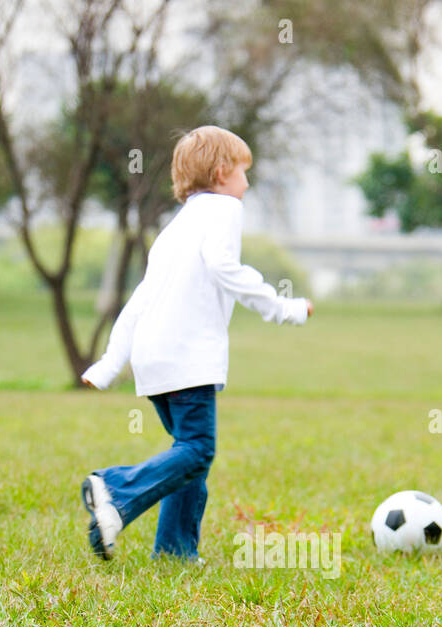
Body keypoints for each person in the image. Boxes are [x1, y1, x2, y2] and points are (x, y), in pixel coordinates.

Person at [80, 125, 313, 562]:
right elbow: (225, 267)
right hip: (187, 356)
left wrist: (111, 363)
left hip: (156, 359)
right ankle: (114, 489)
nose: (247, 183)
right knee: (197, 449)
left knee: (190, 456)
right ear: (222, 172)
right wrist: (283, 307)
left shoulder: (176, 227)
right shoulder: (224, 209)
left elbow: (140, 299)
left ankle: (175, 551)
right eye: (245, 172)